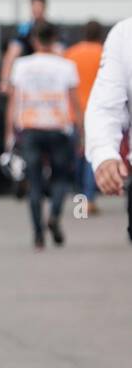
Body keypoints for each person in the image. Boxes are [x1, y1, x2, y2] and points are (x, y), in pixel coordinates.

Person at [7, 22, 80, 249]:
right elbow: (75, 103)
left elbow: (14, 100)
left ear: (35, 40)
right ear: (55, 39)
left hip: (30, 128)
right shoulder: (66, 65)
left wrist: (9, 133)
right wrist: (83, 132)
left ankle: (38, 235)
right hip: (58, 128)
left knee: (35, 183)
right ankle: (54, 215)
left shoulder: (21, 65)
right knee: (61, 178)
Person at [84, 16, 132, 240]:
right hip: (81, 123)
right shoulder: (124, 35)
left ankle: (87, 200)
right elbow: (105, 103)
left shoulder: (71, 54)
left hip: (73, 121)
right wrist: (103, 150)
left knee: (79, 172)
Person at [65, 20, 105, 211]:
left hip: (74, 113)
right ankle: (89, 198)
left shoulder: (71, 53)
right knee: (91, 155)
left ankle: (79, 197)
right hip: (97, 112)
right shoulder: (104, 53)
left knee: (77, 157)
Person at [0, 0, 49, 97]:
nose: (37, 10)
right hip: (29, 71)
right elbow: (11, 53)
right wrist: (5, 80)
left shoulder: (51, 28)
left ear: (44, 8)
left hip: (47, 71)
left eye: (39, 7)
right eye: (34, 6)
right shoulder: (24, 28)